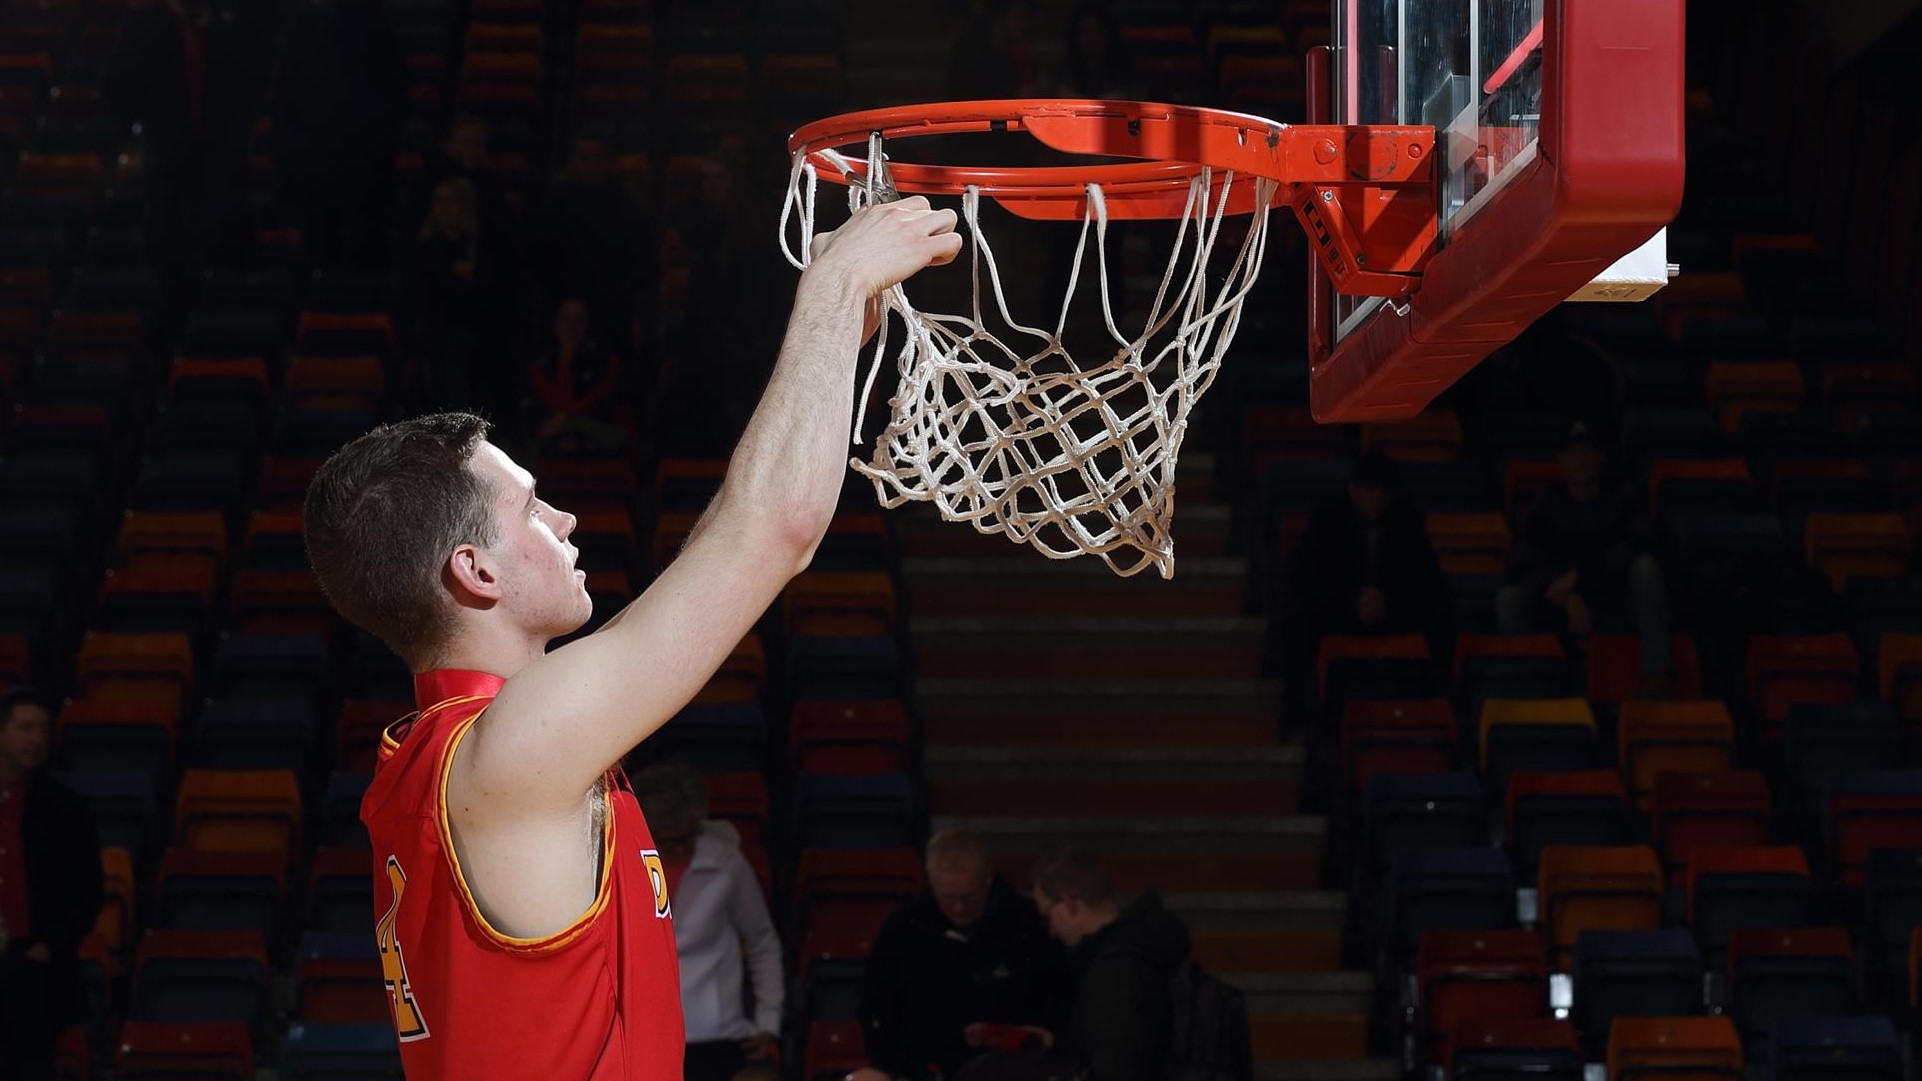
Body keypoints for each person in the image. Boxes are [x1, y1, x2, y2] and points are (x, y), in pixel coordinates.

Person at [301, 195, 962, 1080]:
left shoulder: (427, 759)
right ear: (476, 571)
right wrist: (833, 286)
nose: (567, 517)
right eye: (532, 507)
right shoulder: (516, 743)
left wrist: (835, 344)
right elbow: (775, 529)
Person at [861, 831, 1068, 1081]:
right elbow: (877, 1007)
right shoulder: (905, 928)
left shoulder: (1028, 926)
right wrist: (896, 1070)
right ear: (931, 882)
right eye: (948, 897)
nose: (959, 907)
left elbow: (1059, 999)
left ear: (988, 877)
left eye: (969, 897)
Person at [1496, 422, 1674, 692]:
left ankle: (1657, 677)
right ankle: (1528, 688)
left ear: (1601, 457)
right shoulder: (1546, 505)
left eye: (1588, 452)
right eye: (1573, 453)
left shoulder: (1623, 496)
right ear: (1561, 460)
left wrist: (1581, 578)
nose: (1581, 461)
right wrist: (1569, 596)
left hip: (1613, 601)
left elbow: (1641, 544)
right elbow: (1524, 562)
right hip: (1559, 604)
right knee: (1510, 600)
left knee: (1646, 568)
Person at [634, 762, 782, 1081]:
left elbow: (762, 942)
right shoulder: (630, 865)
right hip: (645, 1033)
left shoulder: (726, 863)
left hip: (718, 1035)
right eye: (664, 840)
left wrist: (768, 1019)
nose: (674, 849)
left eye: (683, 838)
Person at [1281, 452, 1453, 720]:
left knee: (1442, 620)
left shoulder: (1407, 524)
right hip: (1338, 616)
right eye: (1369, 489)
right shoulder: (1328, 524)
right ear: (1354, 490)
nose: (1375, 497)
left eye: (1381, 490)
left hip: (1396, 618)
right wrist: (1353, 602)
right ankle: (1308, 721)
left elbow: (1426, 583)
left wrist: (1388, 602)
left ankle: (1429, 714)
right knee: (1297, 623)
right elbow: (1312, 580)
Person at [0, 687, 105, 1081]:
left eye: (43, 730)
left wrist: (48, 947)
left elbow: (88, 890)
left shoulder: (66, 809)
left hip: (34, 968)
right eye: (25, 728)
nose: (36, 740)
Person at [1029, 847, 1193, 1081]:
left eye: (1047, 916)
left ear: (1069, 902)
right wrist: (1056, 1042)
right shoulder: (1135, 950)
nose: (1051, 931)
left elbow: (1118, 1065)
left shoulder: (1115, 974)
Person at [405, 177, 486, 409]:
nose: (445, 209)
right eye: (440, 202)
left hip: (476, 340)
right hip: (439, 341)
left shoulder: (479, 250)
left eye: (452, 202)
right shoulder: (425, 251)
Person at [522, 298, 630, 459]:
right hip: (552, 434)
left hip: (595, 430)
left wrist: (564, 419)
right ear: (556, 323)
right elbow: (555, 403)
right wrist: (565, 361)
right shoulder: (542, 363)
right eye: (566, 319)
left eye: (578, 320)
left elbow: (595, 400)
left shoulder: (605, 362)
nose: (571, 327)